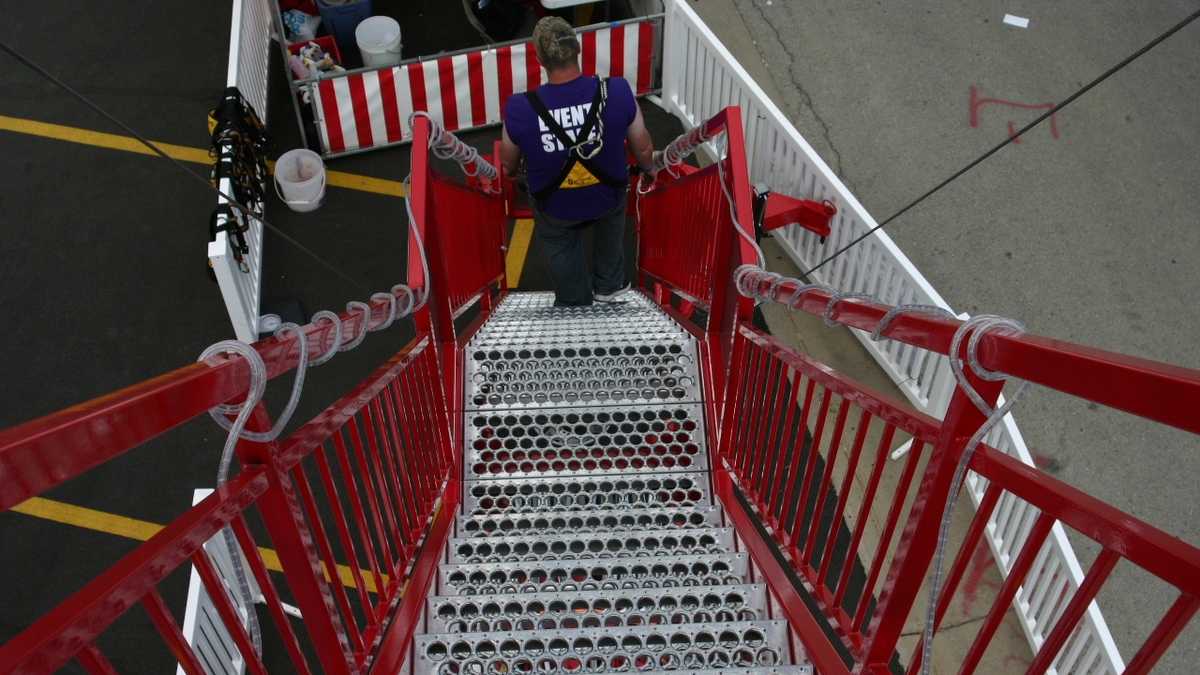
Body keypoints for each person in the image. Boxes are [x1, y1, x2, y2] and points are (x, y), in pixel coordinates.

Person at [500, 16, 656, 306]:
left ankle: (575, 300)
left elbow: (507, 167)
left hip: (554, 206)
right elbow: (643, 150)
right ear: (578, 50)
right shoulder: (618, 91)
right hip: (608, 196)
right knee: (611, 218)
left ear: (540, 60)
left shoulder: (520, 107)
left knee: (559, 243)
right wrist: (650, 171)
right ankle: (609, 286)